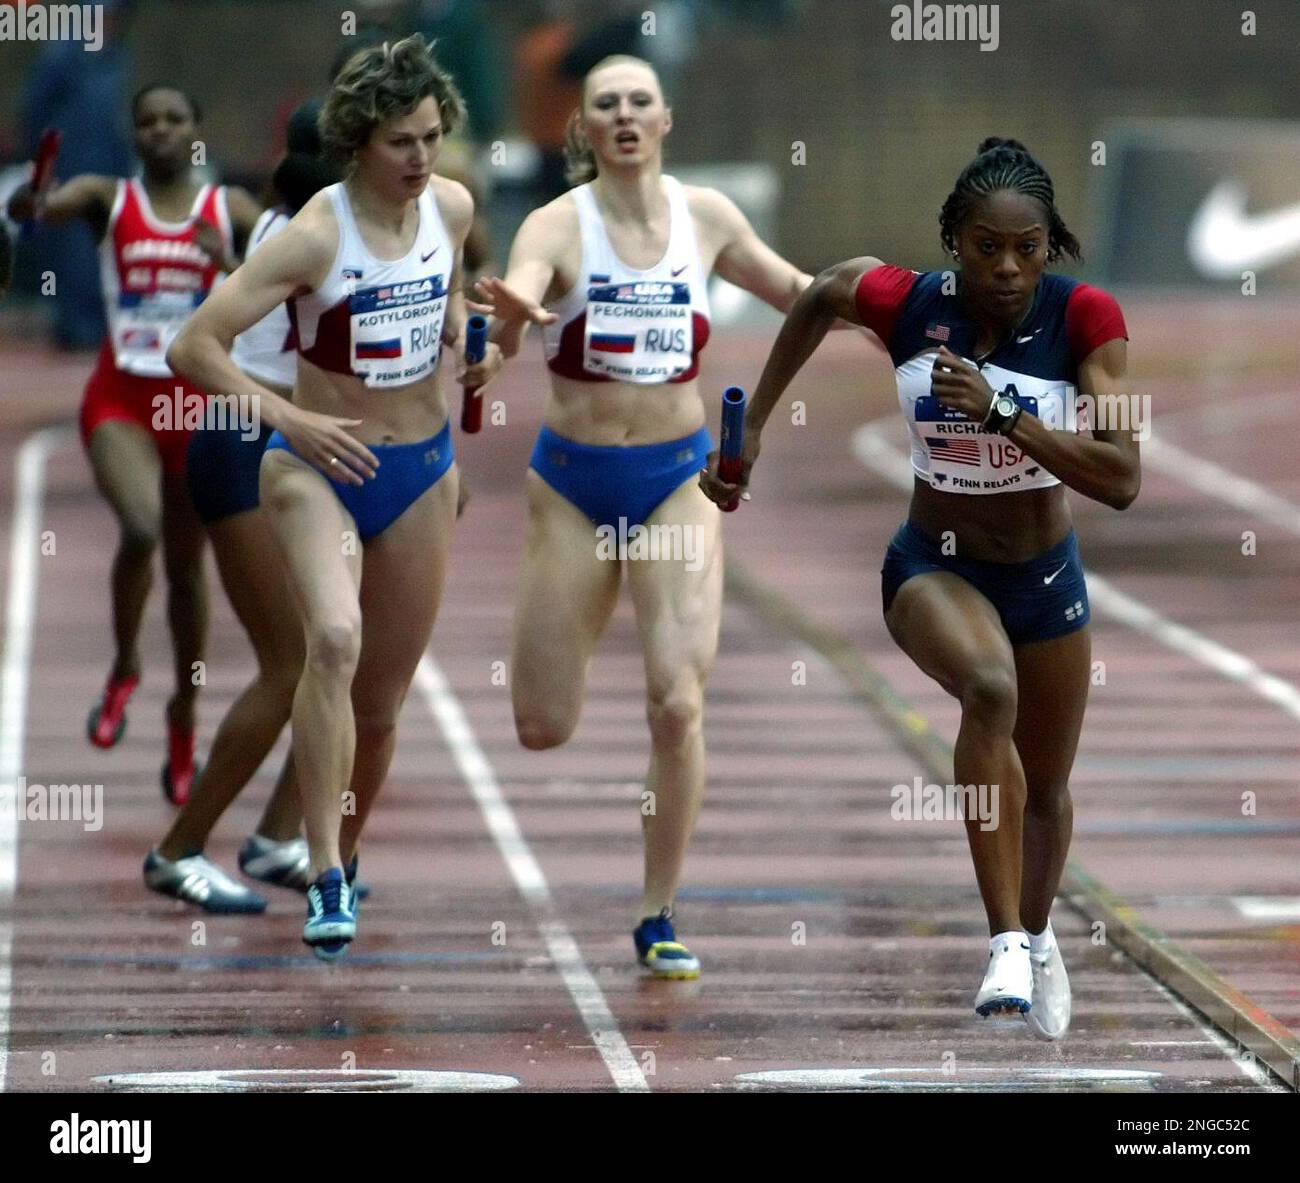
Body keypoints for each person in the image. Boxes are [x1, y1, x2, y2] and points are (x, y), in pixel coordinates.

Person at [700, 138, 1138, 1038]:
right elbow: (823, 293)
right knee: (988, 690)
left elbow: (1122, 476)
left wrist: (1002, 413)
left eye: (1026, 248)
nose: (1008, 267)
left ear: (1049, 246)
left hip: (1045, 576)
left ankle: (1038, 930)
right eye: (986, 247)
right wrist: (754, 434)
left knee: (1049, 784)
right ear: (954, 242)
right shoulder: (906, 303)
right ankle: (1005, 938)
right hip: (932, 564)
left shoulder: (1086, 318)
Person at [474, 54, 840, 980]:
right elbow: (520, 289)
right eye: (607, 106)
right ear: (585, 129)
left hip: (679, 477)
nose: (626, 116)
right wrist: (511, 322)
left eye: (640, 102)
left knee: (678, 700)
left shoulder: (705, 216)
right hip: (573, 484)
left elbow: (796, 291)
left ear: (665, 119)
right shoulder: (560, 223)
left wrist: (898, 311)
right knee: (540, 724)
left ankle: (657, 910)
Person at [167, 37, 499, 958]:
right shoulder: (317, 231)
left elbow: (451, 300)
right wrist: (287, 417)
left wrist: (477, 341)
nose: (422, 159)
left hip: (423, 471)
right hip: (315, 469)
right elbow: (193, 346)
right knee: (334, 641)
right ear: (357, 141)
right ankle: (314, 865)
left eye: (432, 137)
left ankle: (343, 859)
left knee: (384, 704)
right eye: (402, 142)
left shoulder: (454, 208)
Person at [7, 85, 262, 806]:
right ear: (134, 133)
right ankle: (124, 666)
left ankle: (184, 715)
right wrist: (32, 199)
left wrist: (230, 264)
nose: (160, 131)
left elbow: (278, 293)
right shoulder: (107, 198)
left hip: (196, 402)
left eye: (174, 120)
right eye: (147, 121)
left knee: (188, 574)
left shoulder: (229, 212)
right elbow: (38, 210)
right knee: (142, 527)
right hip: (122, 397)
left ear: (196, 131)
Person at [144, 100, 345, 913]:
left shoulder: (296, 224)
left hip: (291, 449)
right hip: (244, 447)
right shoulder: (306, 236)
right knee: (294, 662)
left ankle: (274, 835)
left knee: (339, 657)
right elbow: (211, 348)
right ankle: (178, 848)